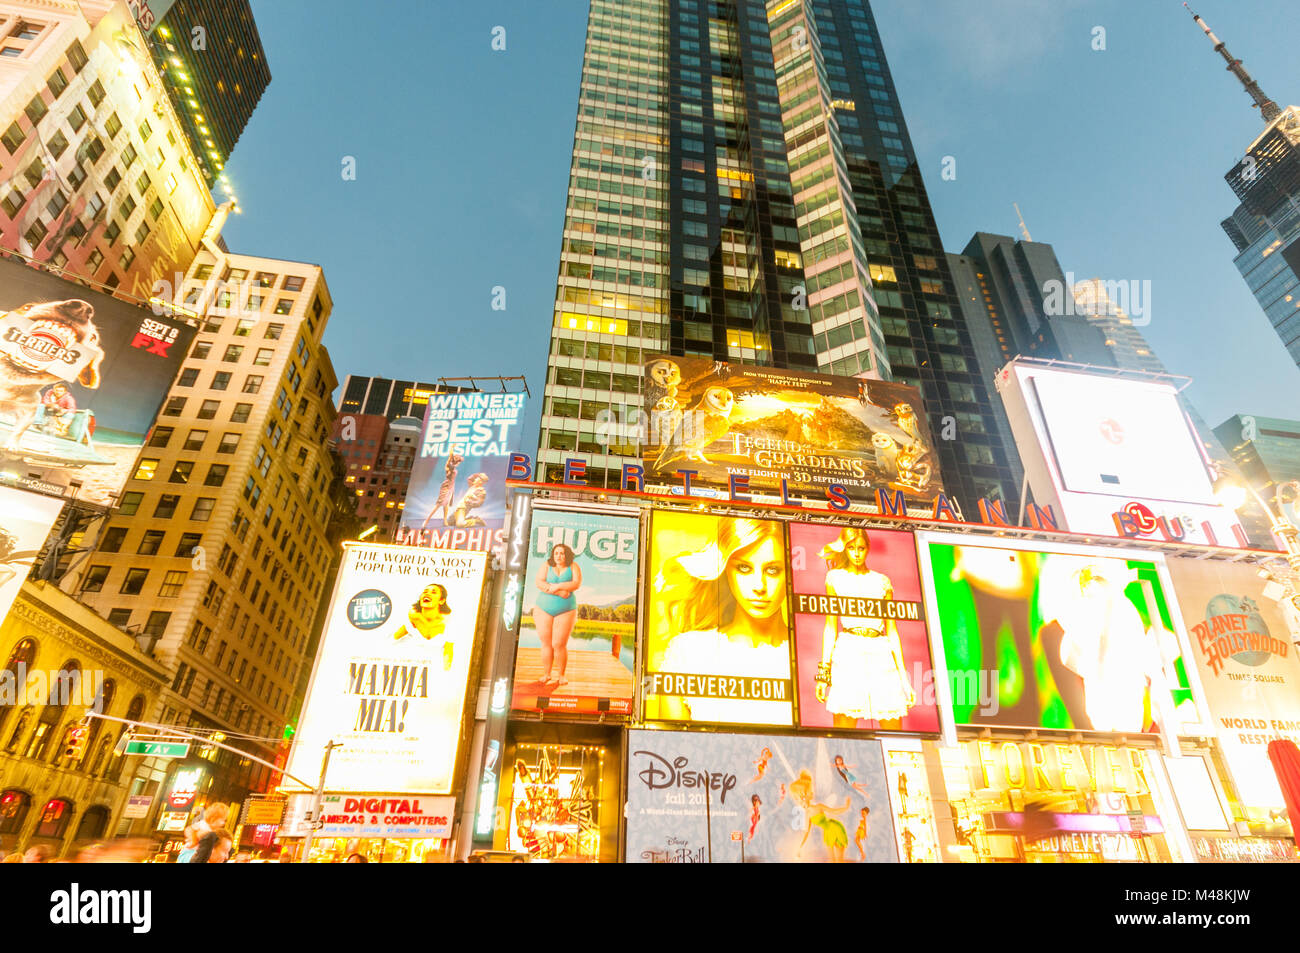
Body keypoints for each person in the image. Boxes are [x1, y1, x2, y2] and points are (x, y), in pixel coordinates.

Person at [651, 518, 791, 723]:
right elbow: (671, 748)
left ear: (788, 573)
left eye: (772, 570)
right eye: (744, 568)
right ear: (726, 570)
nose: (759, 586)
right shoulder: (687, 652)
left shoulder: (811, 657)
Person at [815, 529, 914, 729]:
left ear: (867, 549)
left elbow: (892, 630)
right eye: (851, 548)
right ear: (845, 549)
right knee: (844, 722)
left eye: (861, 548)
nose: (857, 553)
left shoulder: (881, 581)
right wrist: (823, 674)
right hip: (848, 650)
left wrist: (905, 680)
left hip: (880, 650)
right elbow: (830, 626)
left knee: (893, 723)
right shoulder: (834, 578)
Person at [533, 543, 582, 686]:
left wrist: (558, 585)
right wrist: (560, 591)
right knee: (546, 643)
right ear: (553, 555)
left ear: (567, 554)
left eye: (561, 553)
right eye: (556, 553)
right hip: (543, 608)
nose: (558, 556)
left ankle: (561, 675)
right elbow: (539, 582)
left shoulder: (574, 566)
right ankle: (547, 674)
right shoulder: (546, 566)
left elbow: (576, 583)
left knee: (559, 644)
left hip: (566, 610)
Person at [393, 583, 455, 670]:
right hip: (405, 667)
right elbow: (391, 640)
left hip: (431, 670)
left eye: (433, 592)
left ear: (441, 600)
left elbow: (448, 654)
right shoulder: (412, 619)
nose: (427, 594)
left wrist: (445, 671)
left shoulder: (448, 624)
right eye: (425, 592)